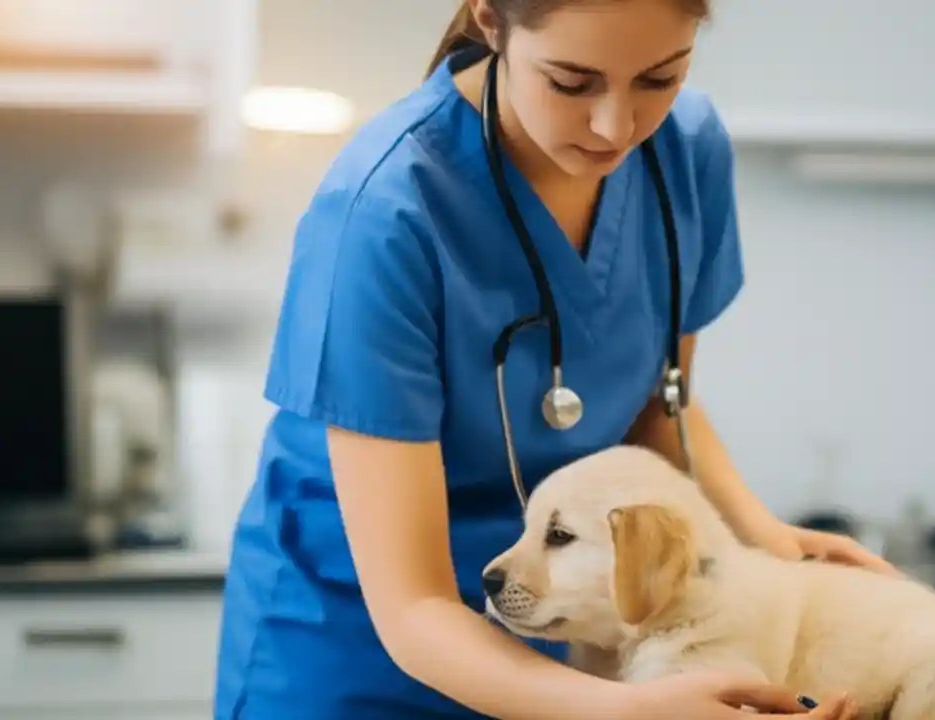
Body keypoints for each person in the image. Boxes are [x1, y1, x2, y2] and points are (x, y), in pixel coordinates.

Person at [214, 1, 896, 718]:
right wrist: (625, 713)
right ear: (490, 19)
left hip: (554, 636)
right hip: (352, 659)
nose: (617, 127)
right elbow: (414, 606)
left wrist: (766, 540)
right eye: (572, 83)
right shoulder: (384, 214)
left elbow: (659, 409)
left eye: (659, 79)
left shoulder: (685, 153)